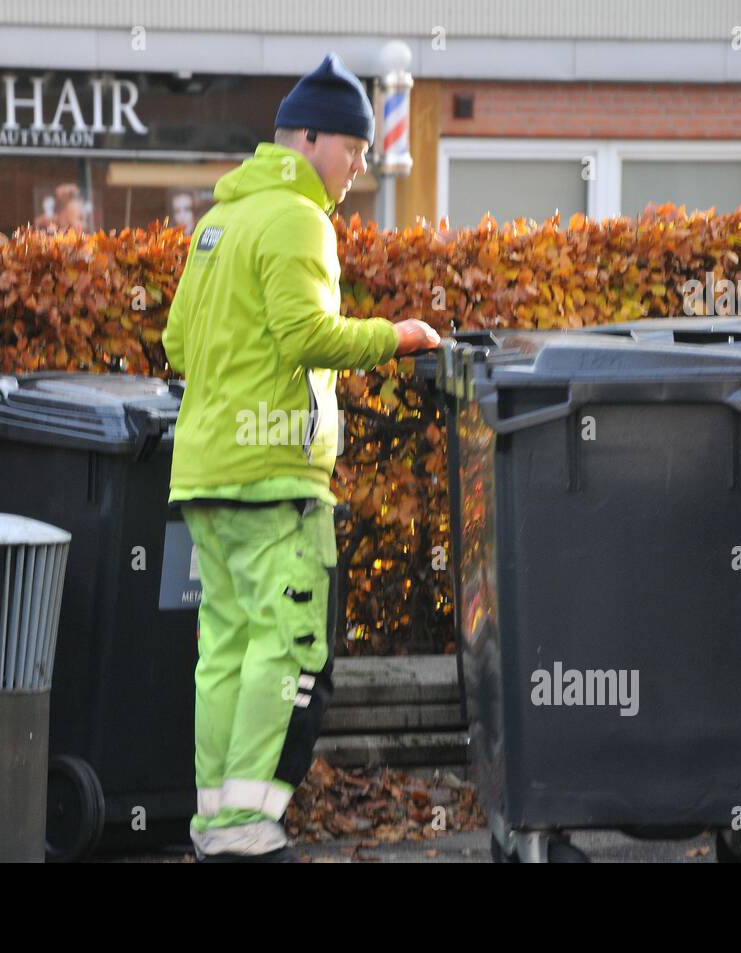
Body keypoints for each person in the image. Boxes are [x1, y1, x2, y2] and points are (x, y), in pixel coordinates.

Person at [161, 52, 441, 863]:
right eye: (353, 148)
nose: (360, 165)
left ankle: (216, 823)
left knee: (226, 647)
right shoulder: (297, 217)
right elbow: (308, 335)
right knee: (284, 647)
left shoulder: (220, 221)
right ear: (310, 139)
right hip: (275, 477)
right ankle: (248, 829)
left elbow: (178, 339)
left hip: (207, 473)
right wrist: (400, 335)